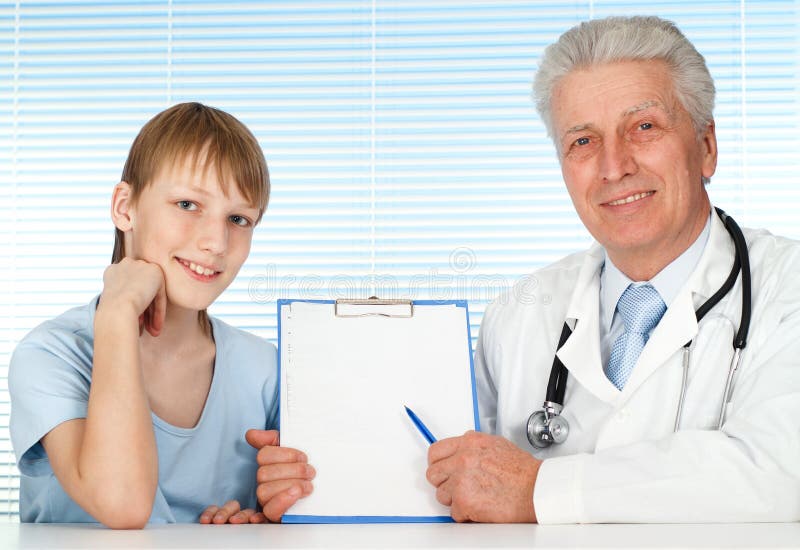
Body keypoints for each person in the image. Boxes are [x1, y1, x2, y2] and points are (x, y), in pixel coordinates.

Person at [252, 15, 800, 524]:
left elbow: (780, 471)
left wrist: (542, 488)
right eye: (583, 141)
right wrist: (315, 478)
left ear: (706, 147)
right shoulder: (519, 313)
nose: (614, 166)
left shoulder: (786, 286)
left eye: (645, 126)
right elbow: (452, 484)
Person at [9, 102, 283, 528]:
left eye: (238, 218)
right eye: (188, 204)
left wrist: (275, 518)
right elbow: (122, 505)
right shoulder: (50, 356)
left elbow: (315, 502)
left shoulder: (266, 370)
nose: (216, 242)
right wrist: (117, 315)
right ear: (125, 207)